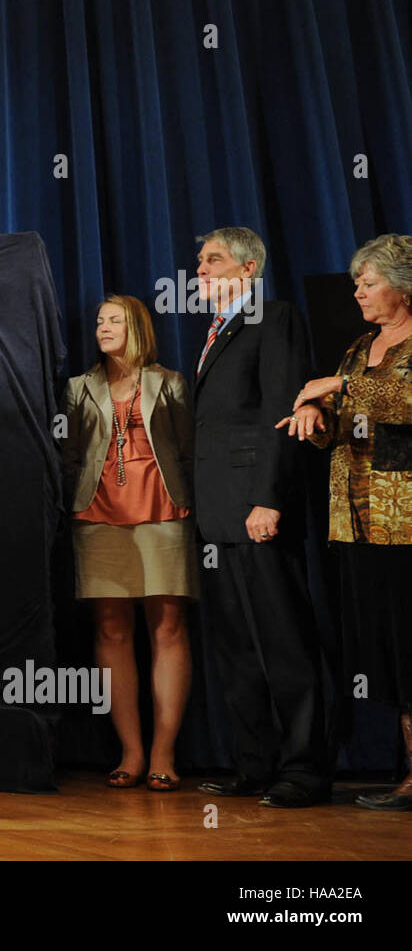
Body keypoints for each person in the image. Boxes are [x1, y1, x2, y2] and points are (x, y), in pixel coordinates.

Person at [190, 226, 329, 808]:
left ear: (247, 270)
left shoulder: (276, 319)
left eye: (212, 260)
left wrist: (267, 499)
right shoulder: (213, 332)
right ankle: (254, 765)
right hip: (216, 517)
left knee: (284, 644)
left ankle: (305, 771)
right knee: (237, 648)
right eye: (198, 262)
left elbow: (279, 413)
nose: (199, 270)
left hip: (257, 509)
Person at [278, 233, 412, 811]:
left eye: (369, 282)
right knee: (388, 651)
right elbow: (337, 418)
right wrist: (313, 411)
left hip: (407, 522)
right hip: (359, 522)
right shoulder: (359, 346)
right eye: (356, 283)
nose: (358, 292)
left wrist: (339, 386)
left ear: (403, 286)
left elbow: (406, 403)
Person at [62, 295, 196, 791]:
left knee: (167, 627)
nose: (103, 327)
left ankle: (164, 753)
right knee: (111, 630)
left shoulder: (171, 382)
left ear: (137, 326)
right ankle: (131, 752)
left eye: (114, 320)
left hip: (164, 510)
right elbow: (69, 456)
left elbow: (187, 451)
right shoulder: (79, 387)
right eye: (98, 321)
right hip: (97, 514)